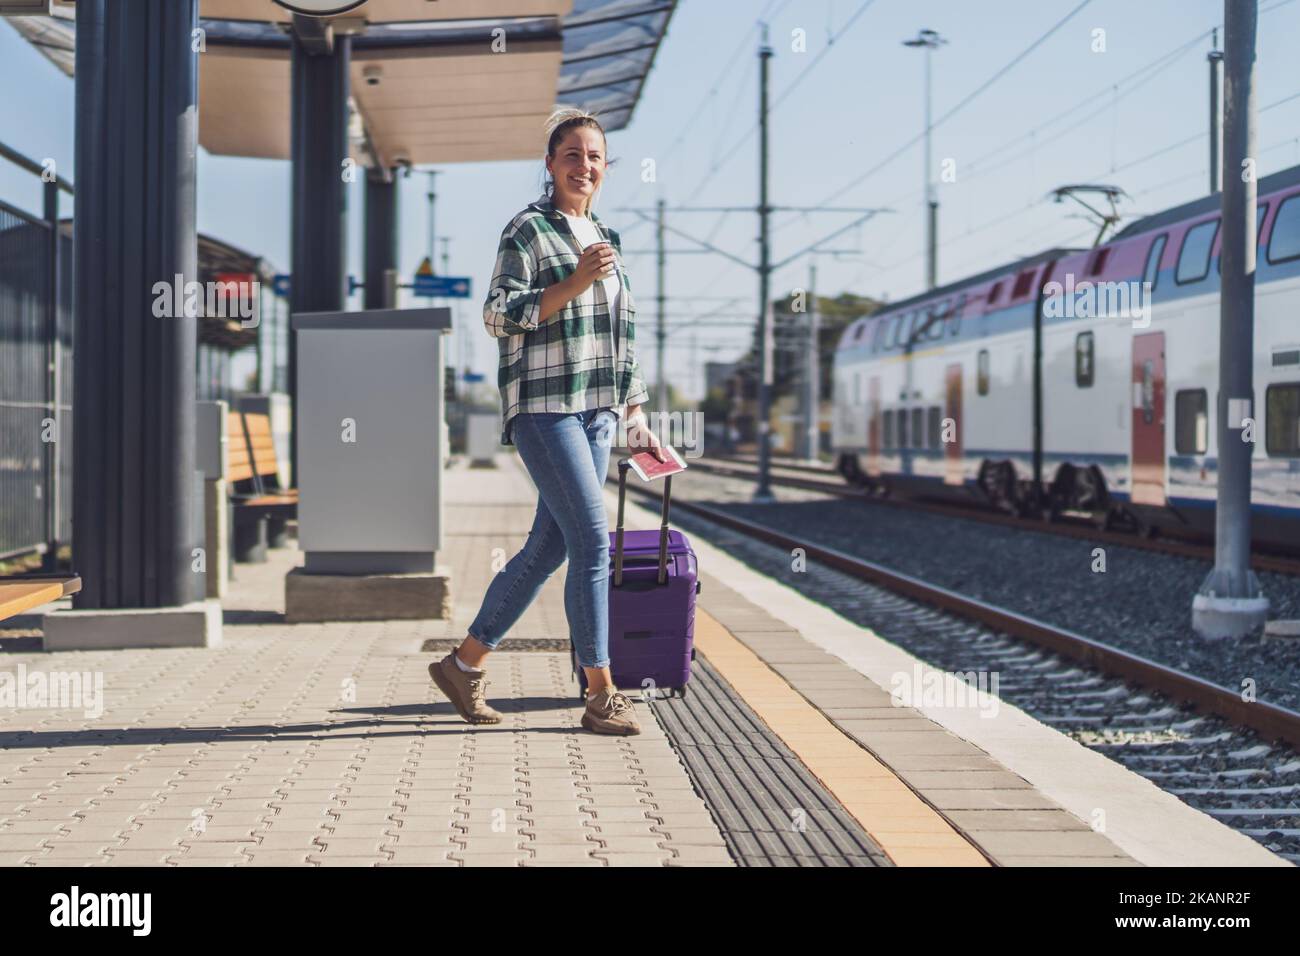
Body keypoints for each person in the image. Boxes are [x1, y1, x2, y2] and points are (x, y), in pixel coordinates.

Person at [429, 108, 667, 736]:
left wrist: (635, 411)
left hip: (595, 411)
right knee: (591, 542)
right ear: (550, 163)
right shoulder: (528, 230)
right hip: (544, 407)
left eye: (594, 157)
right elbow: (499, 315)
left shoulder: (604, 233)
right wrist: (574, 282)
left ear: (604, 168)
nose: (583, 166)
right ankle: (600, 690)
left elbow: (622, 333)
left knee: (550, 546)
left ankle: (463, 664)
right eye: (571, 154)